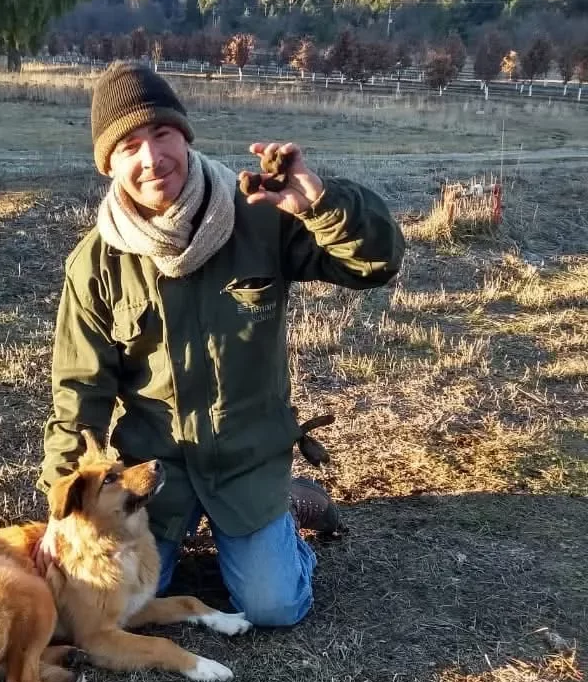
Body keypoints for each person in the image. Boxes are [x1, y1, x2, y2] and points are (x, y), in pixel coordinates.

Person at [34, 61, 405, 627]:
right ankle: (202, 534)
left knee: (274, 608)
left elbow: (375, 265)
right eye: (129, 145)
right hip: (156, 473)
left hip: (247, 461)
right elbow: (78, 391)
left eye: (162, 135)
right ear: (109, 164)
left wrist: (321, 205)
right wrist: (65, 502)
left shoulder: (258, 214)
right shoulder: (94, 263)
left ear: (184, 136)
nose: (152, 158)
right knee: (118, 606)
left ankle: (285, 509)